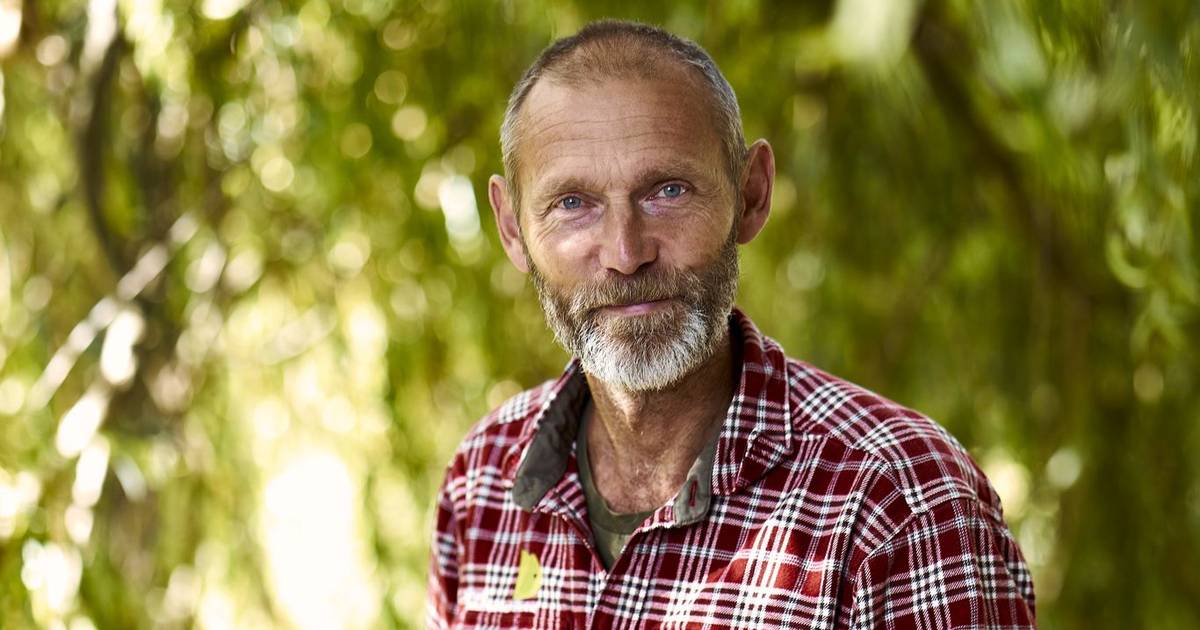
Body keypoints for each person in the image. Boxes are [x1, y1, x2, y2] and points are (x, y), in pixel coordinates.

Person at [427, 20, 1035, 629]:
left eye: (668, 190)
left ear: (751, 194)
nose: (625, 251)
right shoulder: (479, 484)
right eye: (572, 204)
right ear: (512, 229)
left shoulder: (903, 503)